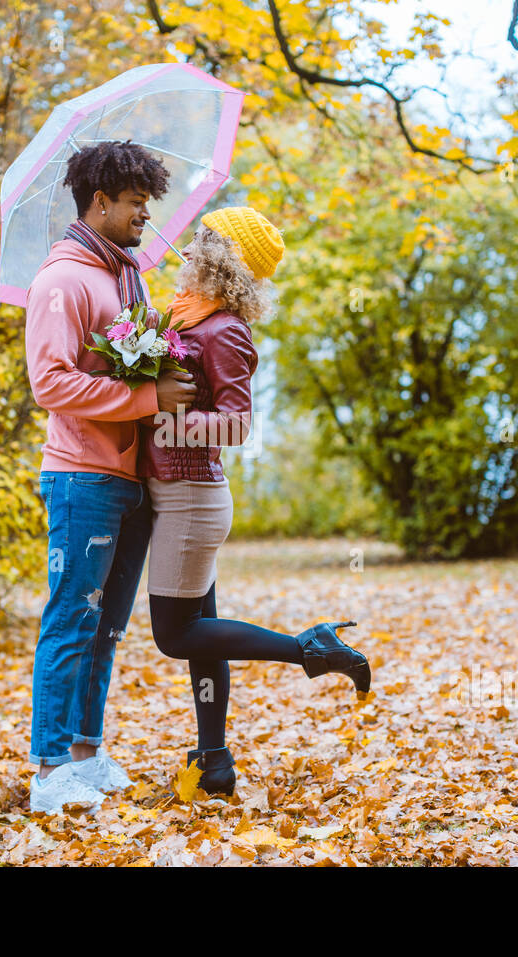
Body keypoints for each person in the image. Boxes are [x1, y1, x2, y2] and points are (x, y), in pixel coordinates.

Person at [139, 206, 372, 798]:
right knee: (203, 629)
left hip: (191, 498)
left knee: (175, 636)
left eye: (201, 242)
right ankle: (214, 761)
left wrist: (168, 416)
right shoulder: (190, 318)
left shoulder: (225, 331)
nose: (187, 249)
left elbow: (238, 426)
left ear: (222, 257)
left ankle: (310, 649)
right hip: (179, 493)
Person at [23, 140, 197, 814]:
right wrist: (148, 399)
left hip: (132, 478)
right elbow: (52, 382)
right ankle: (47, 768)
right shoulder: (62, 280)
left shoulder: (126, 275)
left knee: (108, 628)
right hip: (81, 479)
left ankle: (86, 752)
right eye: (134, 204)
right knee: (71, 618)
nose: (145, 217)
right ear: (100, 202)